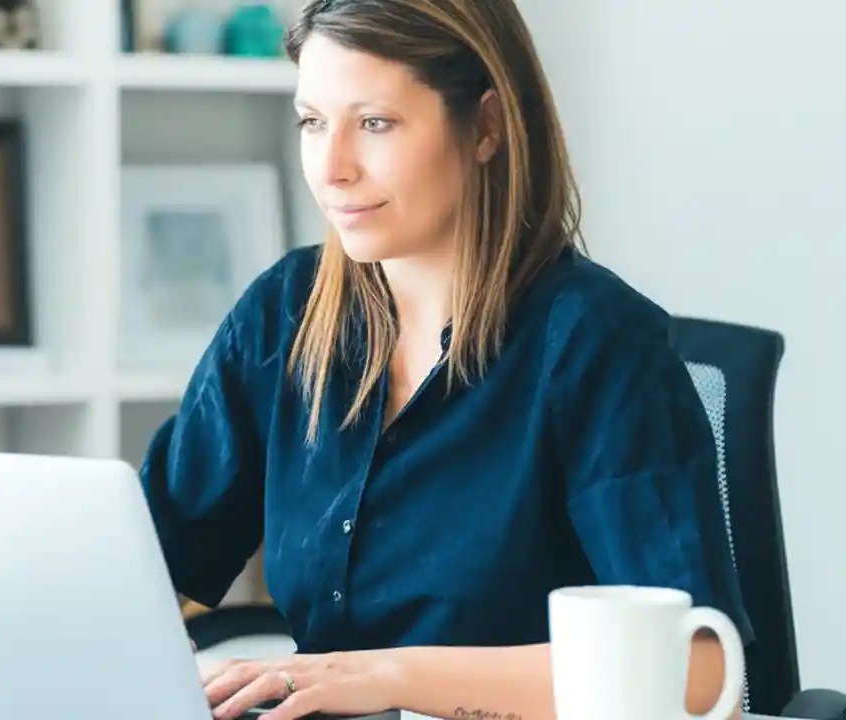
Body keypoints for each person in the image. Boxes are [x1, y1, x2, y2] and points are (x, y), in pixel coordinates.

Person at [137, 1, 753, 719]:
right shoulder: (285, 315)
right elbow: (149, 570)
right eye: (312, 121)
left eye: (374, 123)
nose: (330, 168)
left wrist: (390, 677)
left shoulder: (597, 344)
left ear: (486, 126)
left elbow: (700, 672)